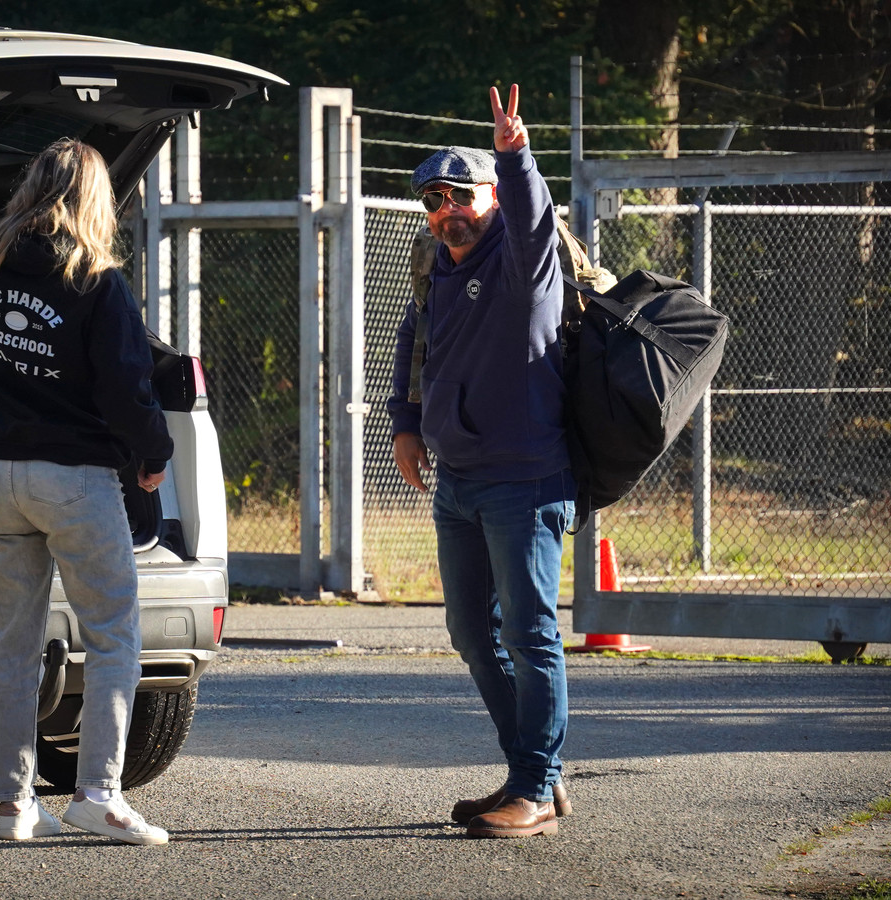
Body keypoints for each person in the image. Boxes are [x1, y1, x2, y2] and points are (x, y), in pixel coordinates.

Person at [0, 92, 172, 846]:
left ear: (29, 190)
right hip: (74, 482)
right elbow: (127, 389)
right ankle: (97, 795)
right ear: (96, 201)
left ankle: (13, 806)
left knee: (14, 648)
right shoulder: (98, 280)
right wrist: (153, 455)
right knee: (114, 636)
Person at [387, 84, 575, 838]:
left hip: (523, 480)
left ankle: (534, 788)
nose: (447, 211)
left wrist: (515, 155)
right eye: (434, 201)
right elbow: (416, 340)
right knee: (472, 634)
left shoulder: (523, 262)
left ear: (490, 197)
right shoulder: (435, 263)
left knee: (529, 636)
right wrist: (405, 423)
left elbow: (532, 220)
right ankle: (534, 774)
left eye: (461, 195)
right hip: (458, 482)